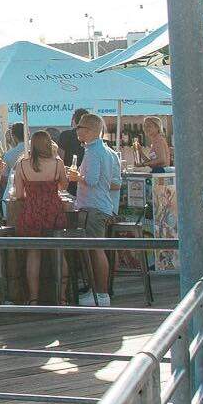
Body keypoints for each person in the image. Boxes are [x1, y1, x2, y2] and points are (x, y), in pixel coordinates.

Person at [65, 112, 120, 306]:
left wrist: (76, 177)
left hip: (94, 206)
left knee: (96, 250)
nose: (77, 130)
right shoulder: (104, 150)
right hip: (100, 205)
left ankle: (101, 294)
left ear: (89, 130)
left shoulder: (94, 152)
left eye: (79, 127)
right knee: (96, 249)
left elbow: (92, 180)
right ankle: (97, 291)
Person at [11, 130, 68, 304]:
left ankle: (34, 298)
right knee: (59, 253)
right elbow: (63, 186)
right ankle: (62, 297)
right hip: (53, 210)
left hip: (32, 211)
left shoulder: (22, 164)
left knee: (33, 254)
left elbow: (19, 195)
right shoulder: (58, 163)